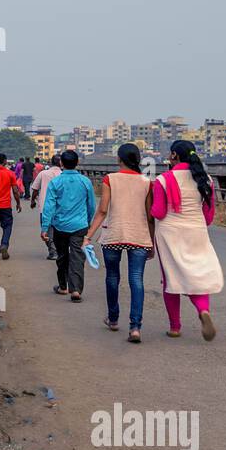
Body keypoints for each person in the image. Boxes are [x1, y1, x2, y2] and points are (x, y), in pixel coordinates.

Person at [150, 139, 223, 340]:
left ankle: (175, 327)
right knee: (197, 276)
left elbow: (159, 212)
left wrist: (148, 204)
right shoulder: (205, 179)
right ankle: (203, 310)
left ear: (174, 155)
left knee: (171, 279)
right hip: (196, 231)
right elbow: (208, 217)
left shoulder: (163, 179)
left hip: (170, 234)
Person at [82, 144, 152, 343]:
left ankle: (113, 319)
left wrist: (88, 235)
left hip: (113, 234)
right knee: (136, 280)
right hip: (139, 236)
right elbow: (149, 216)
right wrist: (152, 242)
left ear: (119, 159)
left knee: (112, 277)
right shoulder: (147, 182)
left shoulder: (110, 179)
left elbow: (103, 211)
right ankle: (135, 327)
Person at [40, 150, 95, 300]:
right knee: (77, 256)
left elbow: (49, 206)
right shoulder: (85, 181)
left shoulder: (55, 182)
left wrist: (45, 228)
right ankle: (76, 289)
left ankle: (63, 286)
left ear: (61, 164)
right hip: (79, 225)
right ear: (77, 163)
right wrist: (88, 222)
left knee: (62, 256)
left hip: (60, 226)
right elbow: (91, 206)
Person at [30, 155, 63, 259]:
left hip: (45, 206)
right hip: (61, 207)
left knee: (46, 230)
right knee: (59, 230)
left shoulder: (43, 174)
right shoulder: (63, 175)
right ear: (61, 163)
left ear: (51, 162)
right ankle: (59, 250)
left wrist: (32, 201)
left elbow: (35, 189)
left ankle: (53, 251)